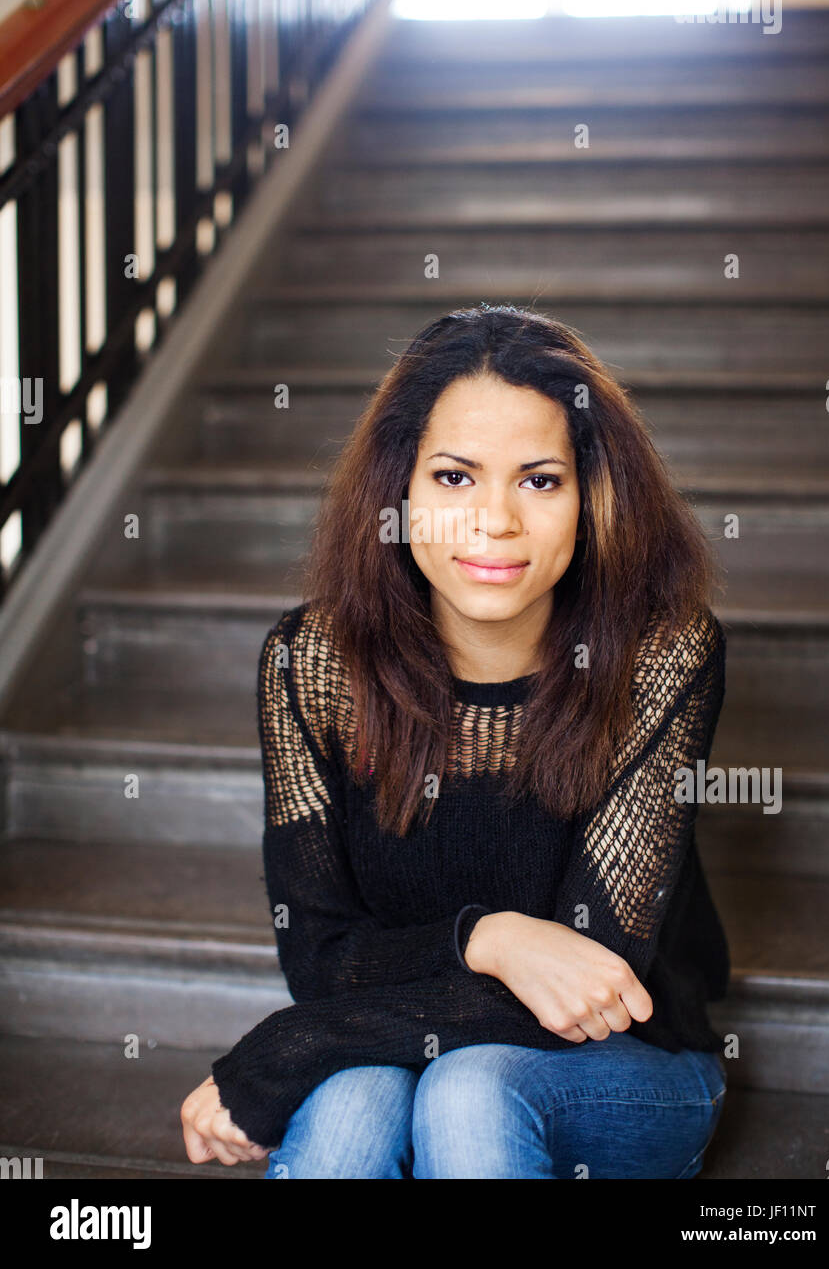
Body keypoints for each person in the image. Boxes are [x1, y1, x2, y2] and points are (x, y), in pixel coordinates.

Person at [180, 303, 729, 1178]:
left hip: (630, 1063)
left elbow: (598, 982)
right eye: (455, 478)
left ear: (593, 497)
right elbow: (320, 954)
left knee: (467, 1089)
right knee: (355, 1110)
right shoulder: (312, 662)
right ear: (399, 488)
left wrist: (291, 1046)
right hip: (394, 1041)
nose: (496, 521)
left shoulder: (659, 654)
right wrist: (492, 938)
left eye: (540, 480)